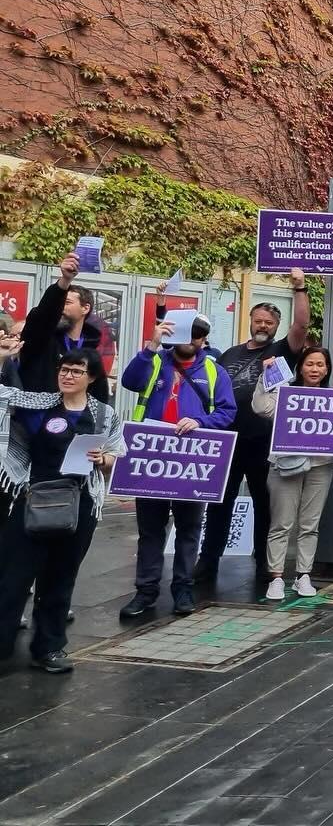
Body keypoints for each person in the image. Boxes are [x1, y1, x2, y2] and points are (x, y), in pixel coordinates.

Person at [0, 348, 123, 673]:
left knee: (60, 578)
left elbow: (115, 455)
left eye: (76, 371)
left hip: (78, 505)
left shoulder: (103, 414)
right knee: (12, 578)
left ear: (91, 377)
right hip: (32, 499)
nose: (68, 376)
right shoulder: (38, 405)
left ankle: (50, 648)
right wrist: (2, 359)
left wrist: (104, 460)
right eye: (64, 369)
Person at [118, 315, 238, 618]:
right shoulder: (156, 361)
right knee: (150, 530)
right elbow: (130, 381)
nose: (192, 339)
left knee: (188, 529)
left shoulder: (214, 371)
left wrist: (201, 421)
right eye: (188, 333)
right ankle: (146, 590)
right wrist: (151, 344)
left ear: (204, 340)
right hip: (153, 459)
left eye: (199, 335)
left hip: (190, 461)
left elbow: (227, 412)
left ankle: (183, 588)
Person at [195, 271, 309, 587]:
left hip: (264, 442)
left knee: (265, 506)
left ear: (276, 326)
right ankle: (207, 564)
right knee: (218, 504)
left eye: (269, 323)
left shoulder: (283, 350)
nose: (262, 326)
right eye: (258, 321)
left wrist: (300, 286)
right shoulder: (229, 354)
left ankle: (264, 566)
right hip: (228, 441)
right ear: (250, 320)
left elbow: (301, 326)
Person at [250, 349, 333, 601]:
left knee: (309, 525)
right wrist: (265, 377)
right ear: (300, 367)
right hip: (285, 465)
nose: (315, 369)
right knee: (281, 524)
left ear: (327, 370)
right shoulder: (285, 394)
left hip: (320, 466)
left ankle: (303, 575)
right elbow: (261, 408)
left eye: (320, 365)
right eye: (310, 364)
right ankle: (277, 578)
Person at [17, 252, 109, 405]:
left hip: (74, 424)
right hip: (35, 422)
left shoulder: (91, 351)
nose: (60, 308)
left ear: (85, 308)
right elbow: (43, 317)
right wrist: (65, 281)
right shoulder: (41, 339)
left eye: (66, 303)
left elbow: (99, 396)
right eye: (59, 303)